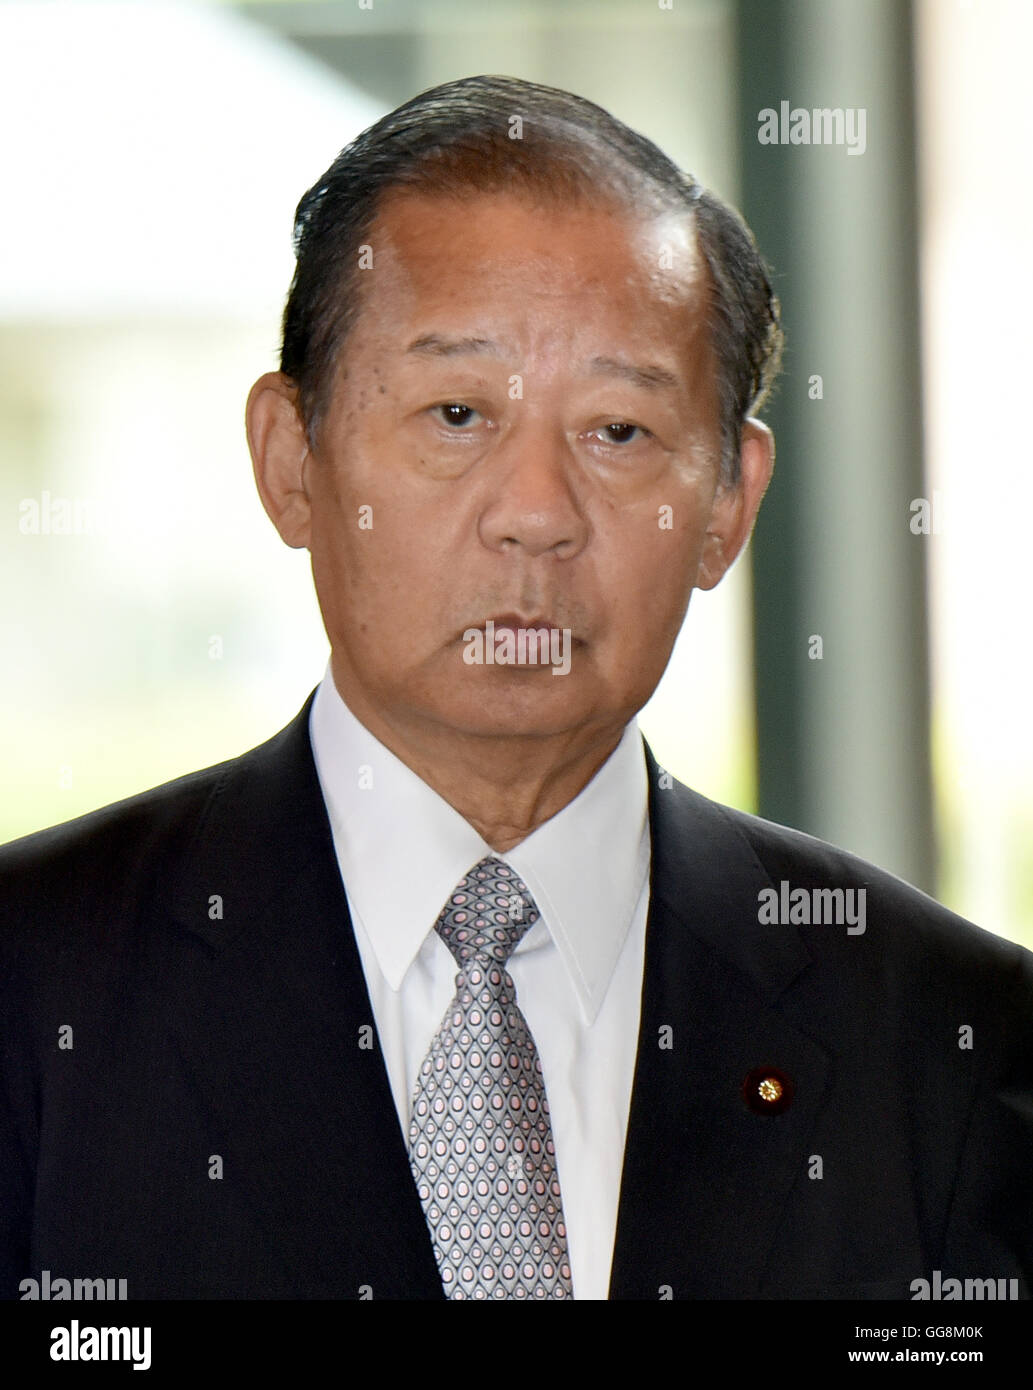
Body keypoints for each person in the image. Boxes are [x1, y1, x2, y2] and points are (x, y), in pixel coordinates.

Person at [1, 74, 1030, 1303]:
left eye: (619, 432)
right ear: (292, 462)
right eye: (456, 411)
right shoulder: (34, 984)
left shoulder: (950, 1041)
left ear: (725, 509)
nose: (536, 515)